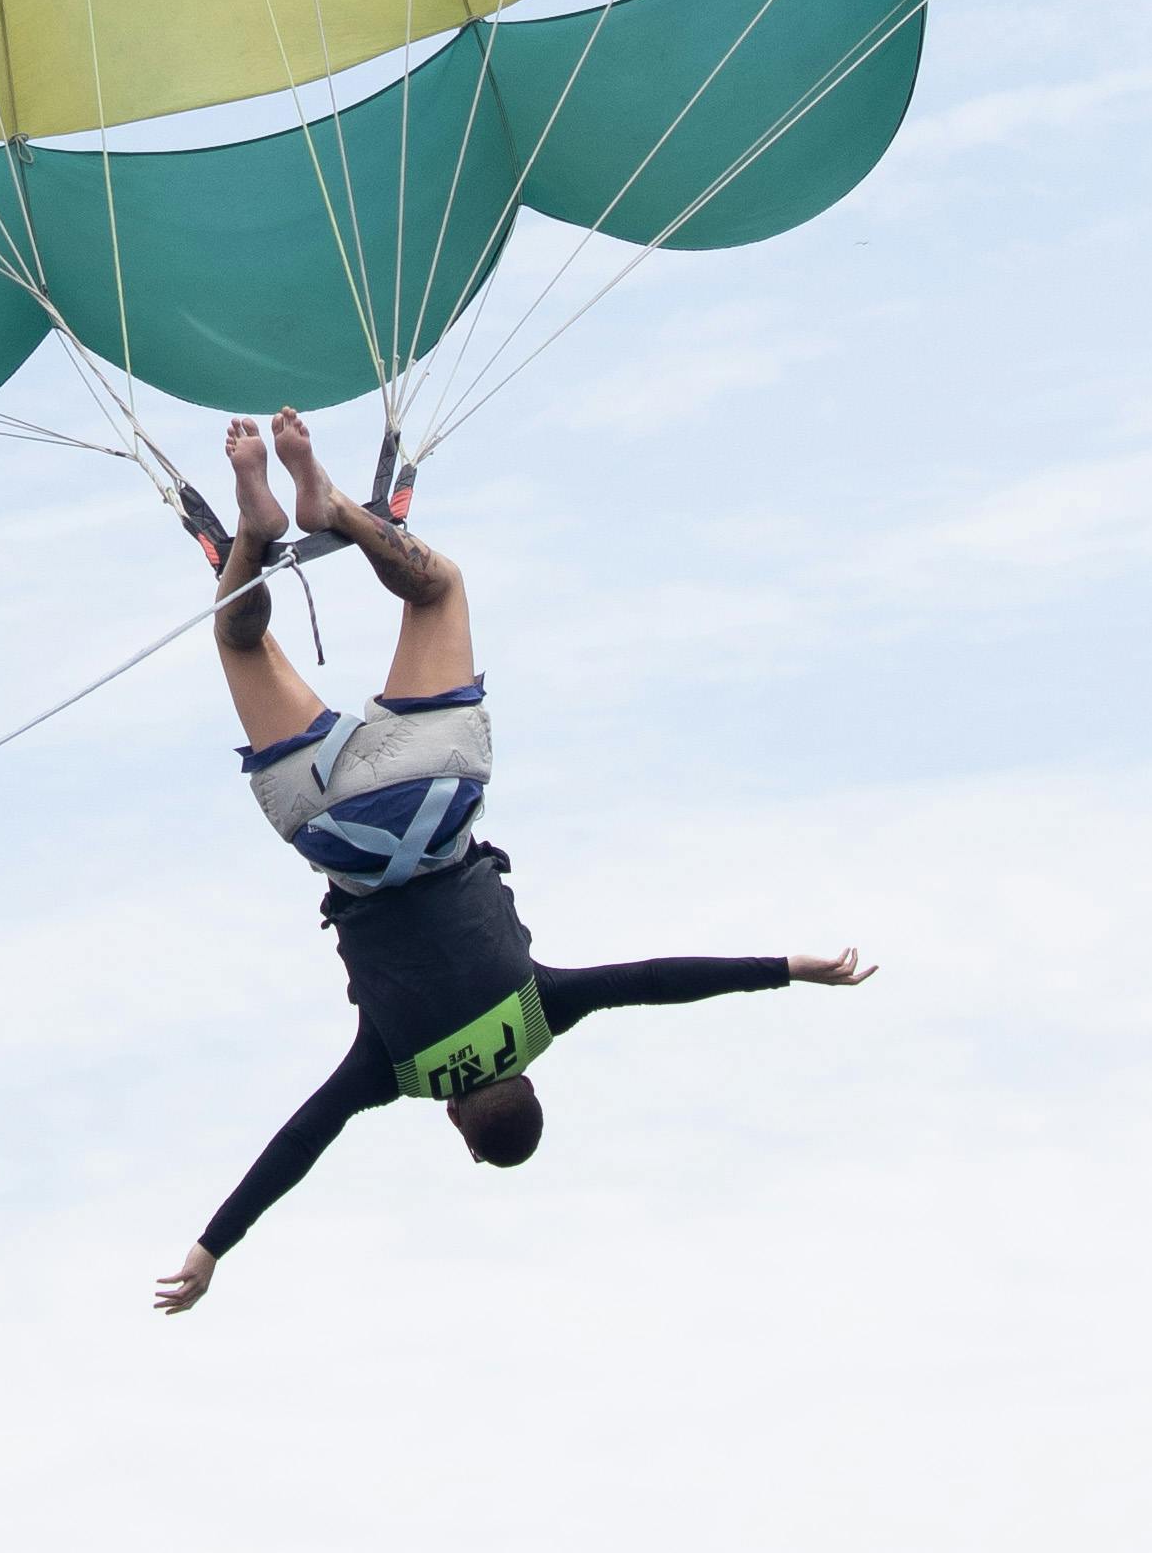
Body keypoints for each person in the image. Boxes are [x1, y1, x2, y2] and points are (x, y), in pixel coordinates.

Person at [151, 411, 868, 1310]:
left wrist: (791, 969)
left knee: (438, 593)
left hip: (435, 797)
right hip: (339, 832)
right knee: (239, 638)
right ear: (458, 1122)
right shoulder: (398, 1071)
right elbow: (300, 1142)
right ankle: (251, 539)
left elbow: (654, 979)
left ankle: (328, 504)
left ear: (526, 1081)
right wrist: (215, 1246)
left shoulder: (539, 1014)